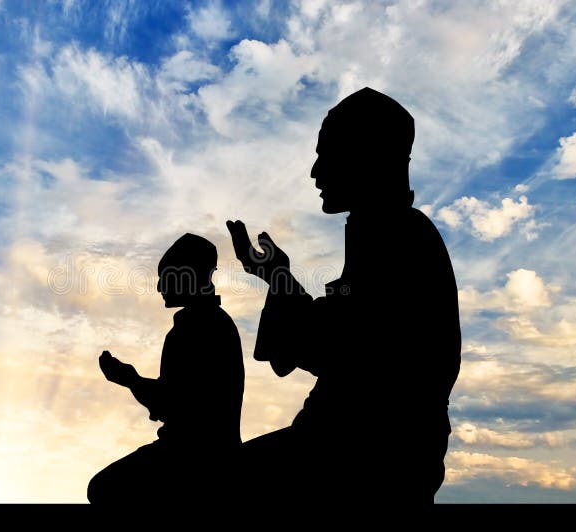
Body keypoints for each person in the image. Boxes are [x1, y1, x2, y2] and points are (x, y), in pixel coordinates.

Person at [227, 87, 461, 504]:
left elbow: (340, 349)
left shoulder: (399, 238)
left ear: (368, 157)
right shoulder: (385, 235)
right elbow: (333, 334)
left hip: (370, 456)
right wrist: (274, 273)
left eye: (328, 155)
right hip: (352, 444)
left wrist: (277, 275)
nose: (316, 173)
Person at [88, 233, 245, 504]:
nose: (160, 285)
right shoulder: (210, 323)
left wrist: (130, 380)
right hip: (199, 451)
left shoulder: (197, 328)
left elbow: (175, 403)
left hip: (193, 456)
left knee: (104, 488)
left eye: (166, 276)